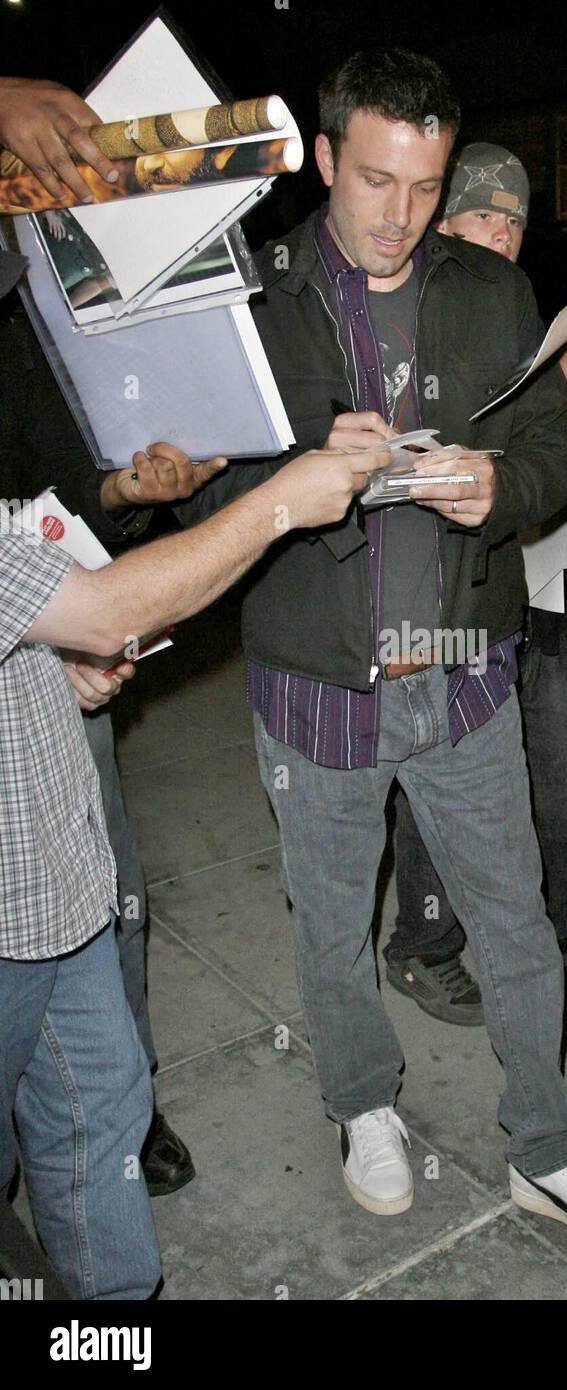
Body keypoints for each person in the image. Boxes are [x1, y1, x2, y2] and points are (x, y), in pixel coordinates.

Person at [171, 49, 567, 1255]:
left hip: (464, 670)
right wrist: (293, 473)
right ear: (327, 157)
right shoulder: (254, 293)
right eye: (376, 181)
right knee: (329, 921)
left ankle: (547, 1145)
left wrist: (500, 484)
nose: (400, 216)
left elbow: (551, 455)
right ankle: (362, 1104)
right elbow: (185, 502)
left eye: (426, 187)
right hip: (313, 676)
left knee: (514, 913)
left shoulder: (486, 293)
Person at [0, 270, 380, 1296]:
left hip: (59, 881)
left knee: (100, 1122)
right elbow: (107, 605)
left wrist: (50, 666)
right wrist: (279, 501)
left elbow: (42, 597)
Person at [385, 142, 567, 1023]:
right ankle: (423, 945)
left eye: (515, 220)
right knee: (437, 775)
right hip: (445, 595)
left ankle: (558, 941)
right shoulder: (406, 311)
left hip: (539, 581)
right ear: (440, 223)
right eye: (484, 214)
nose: (502, 233)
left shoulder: (515, 309)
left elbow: (552, 411)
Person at [0, 305, 208, 1198]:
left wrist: (126, 494)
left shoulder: (28, 306)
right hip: (51, 623)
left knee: (105, 893)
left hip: (55, 622)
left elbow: (52, 496)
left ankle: (123, 1108)